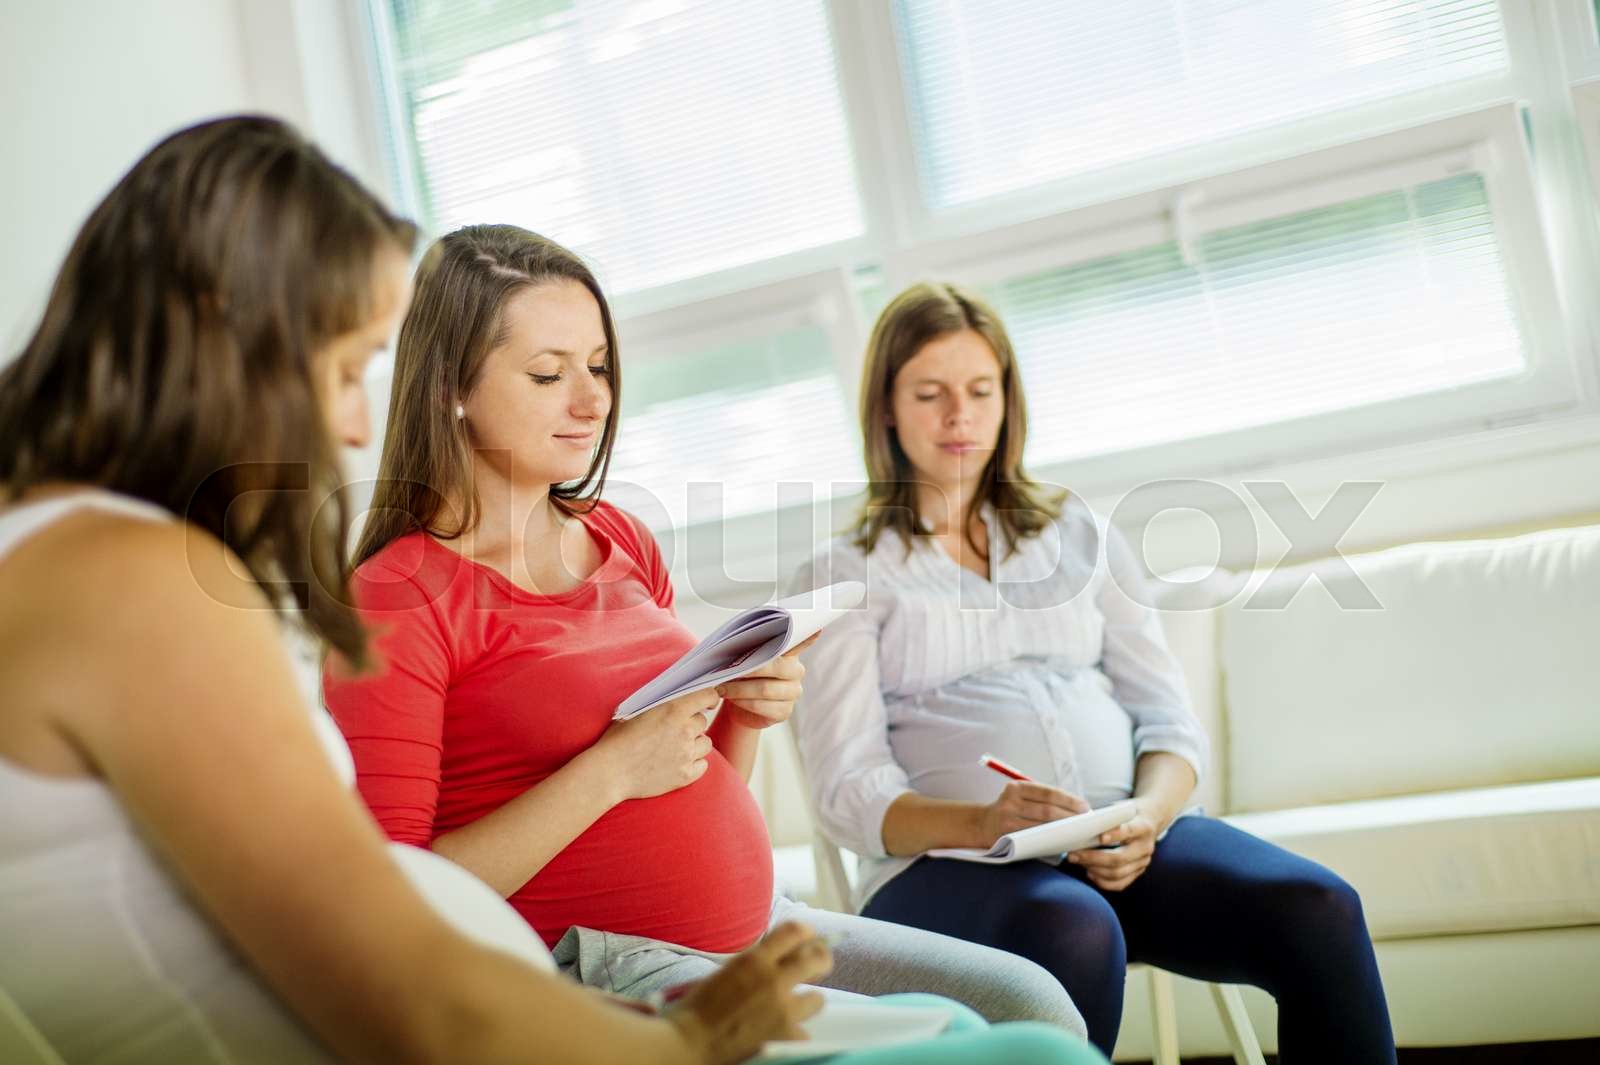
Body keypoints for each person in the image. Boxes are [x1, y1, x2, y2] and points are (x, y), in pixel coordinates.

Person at [0, 115, 1005, 1065]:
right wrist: (685, 1042)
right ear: (231, 330)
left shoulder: (80, 557)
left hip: (648, 967)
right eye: (345, 369)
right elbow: (408, 962)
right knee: (1026, 1044)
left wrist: (730, 710)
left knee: (1015, 1021)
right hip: (575, 984)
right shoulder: (130, 585)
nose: (352, 425)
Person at [321, 224, 1102, 1058]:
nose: (592, 401)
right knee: (1028, 1050)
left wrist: (745, 715)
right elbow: (403, 907)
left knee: (1033, 1000)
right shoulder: (396, 593)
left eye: (598, 367)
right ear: (451, 386)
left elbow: (700, 781)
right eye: (549, 374)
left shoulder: (617, 536)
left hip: (760, 928)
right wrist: (610, 769)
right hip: (606, 972)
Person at [789, 281, 1398, 1062]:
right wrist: (984, 823)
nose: (959, 416)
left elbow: (1171, 724)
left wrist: (1147, 814)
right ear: (885, 409)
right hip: (950, 872)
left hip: (1125, 843)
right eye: (930, 393)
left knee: (1319, 906)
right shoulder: (847, 573)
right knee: (1072, 926)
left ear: (1008, 400)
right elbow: (848, 793)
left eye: (981, 390)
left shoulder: (1079, 533)